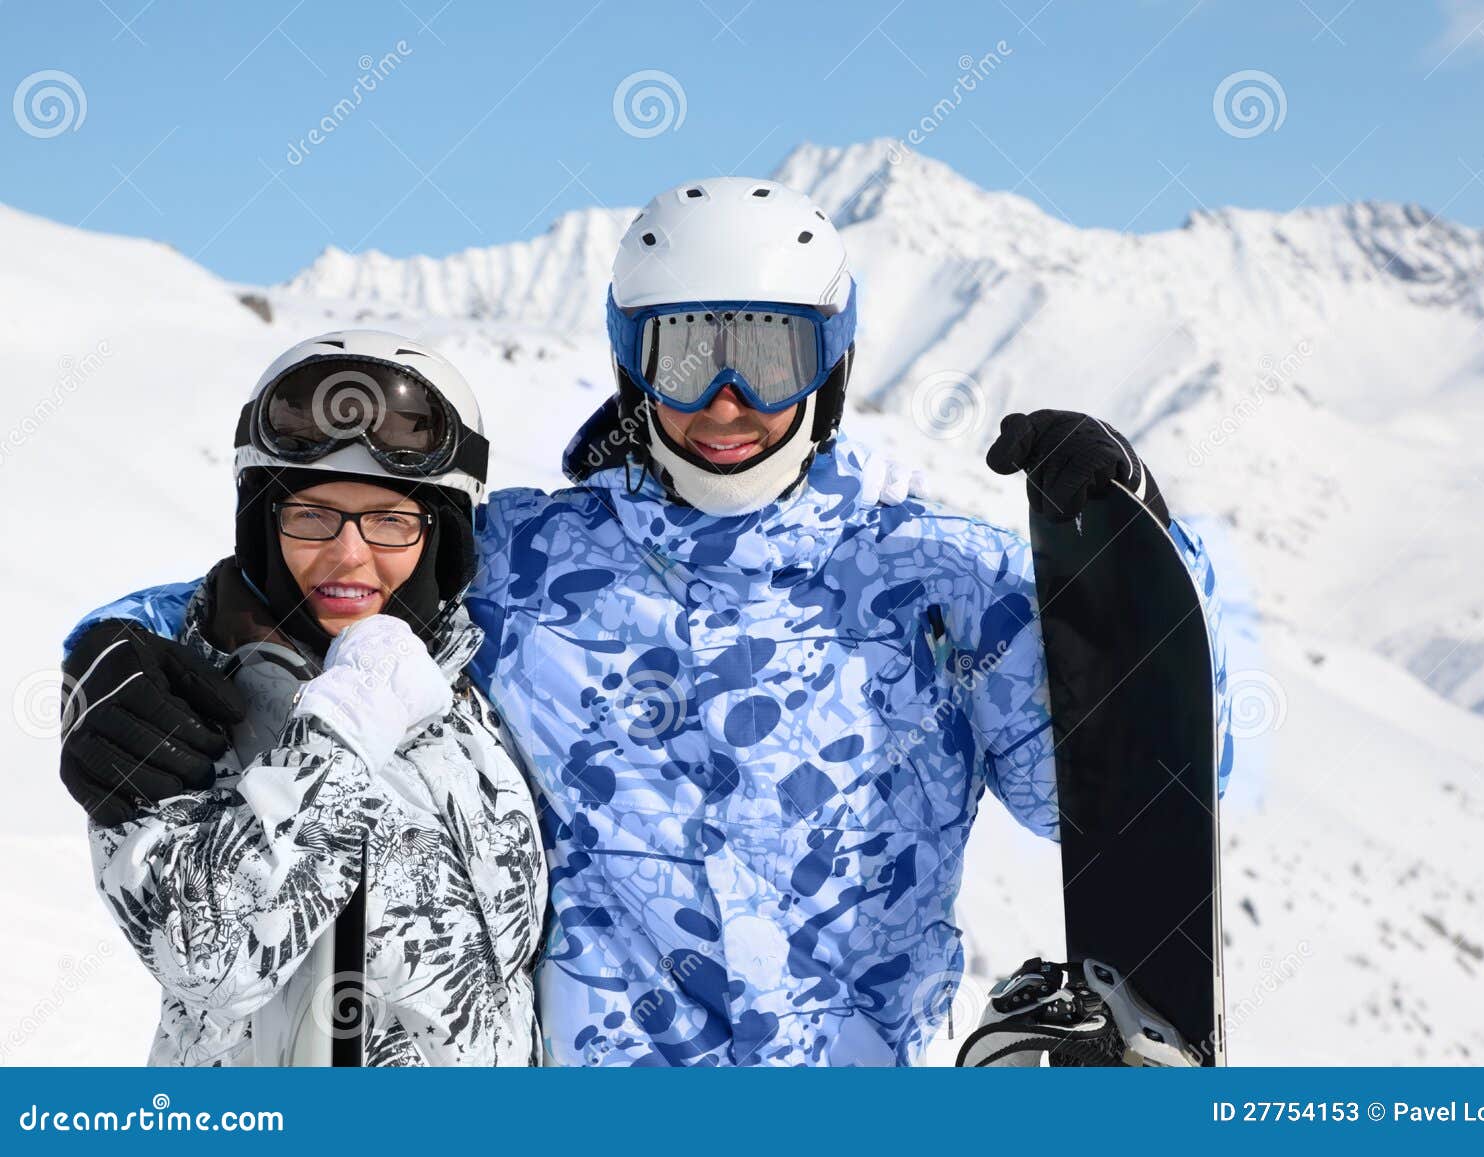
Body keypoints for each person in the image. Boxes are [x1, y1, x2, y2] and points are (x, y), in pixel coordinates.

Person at [61, 176, 1231, 1067]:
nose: (728, 400)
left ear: (830, 360)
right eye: (687, 353)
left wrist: (1132, 584)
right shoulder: (527, 559)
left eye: (768, 354)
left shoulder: (941, 581)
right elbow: (326, 572)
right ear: (633, 361)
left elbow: (1126, 796)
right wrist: (119, 646)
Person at [59, 332, 546, 1065]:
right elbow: (210, 960)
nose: (349, 554)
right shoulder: (169, 708)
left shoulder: (471, 691)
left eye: (390, 519)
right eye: (312, 514)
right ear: (265, 526)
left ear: (438, 537)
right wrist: (344, 726)